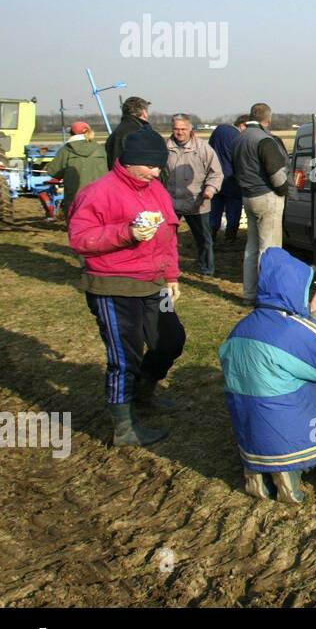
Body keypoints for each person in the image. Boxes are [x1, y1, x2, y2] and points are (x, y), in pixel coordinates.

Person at [68, 127, 184, 447]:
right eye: (150, 166)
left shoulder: (156, 190)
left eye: (159, 166)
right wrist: (127, 233)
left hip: (155, 283)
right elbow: (80, 239)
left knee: (171, 340)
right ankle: (123, 426)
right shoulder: (98, 193)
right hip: (113, 285)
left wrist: (171, 275)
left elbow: (169, 235)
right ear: (130, 161)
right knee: (124, 357)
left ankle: (144, 393)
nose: (156, 172)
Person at [219, 248, 316, 504]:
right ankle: (291, 466)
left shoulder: (239, 329)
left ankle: (261, 467)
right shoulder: (290, 330)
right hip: (294, 435)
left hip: (251, 438)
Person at [232, 103, 290, 304]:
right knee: (269, 250)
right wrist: (284, 190)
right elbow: (276, 173)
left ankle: (249, 294)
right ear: (269, 118)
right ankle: (267, 297)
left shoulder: (239, 138)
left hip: (247, 196)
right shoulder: (264, 140)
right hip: (266, 196)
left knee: (252, 248)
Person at [164, 114, 224, 276]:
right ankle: (168, 267)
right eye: (176, 129)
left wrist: (210, 189)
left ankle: (206, 269)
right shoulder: (164, 148)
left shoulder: (203, 148)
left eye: (183, 129)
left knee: (204, 238)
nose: (179, 132)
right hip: (170, 201)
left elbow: (216, 173)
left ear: (190, 129)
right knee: (166, 238)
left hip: (197, 201)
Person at [47, 121, 107, 222]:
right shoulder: (100, 149)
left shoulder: (65, 150)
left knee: (76, 222)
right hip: (99, 195)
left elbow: (54, 172)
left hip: (75, 196)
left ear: (71, 133)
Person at [207, 115, 247, 247]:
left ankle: (211, 236)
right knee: (233, 211)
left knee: (214, 210)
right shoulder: (238, 136)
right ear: (242, 125)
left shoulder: (219, 130)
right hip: (232, 180)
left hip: (214, 178)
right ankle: (230, 238)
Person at [105, 96, 153, 170]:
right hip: (134, 176)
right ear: (143, 112)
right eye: (147, 111)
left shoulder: (114, 134)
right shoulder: (141, 132)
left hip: (115, 175)